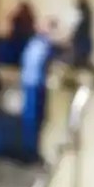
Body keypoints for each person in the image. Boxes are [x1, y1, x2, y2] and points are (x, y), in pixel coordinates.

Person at [19, 18, 59, 164]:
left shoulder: (34, 43)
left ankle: (30, 152)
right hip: (35, 85)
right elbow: (43, 64)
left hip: (30, 83)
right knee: (33, 120)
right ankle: (30, 154)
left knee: (32, 120)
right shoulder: (42, 44)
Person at [69, 0, 94, 87]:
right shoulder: (86, 14)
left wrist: (73, 35)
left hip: (83, 44)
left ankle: (72, 83)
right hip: (83, 43)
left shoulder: (85, 15)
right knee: (81, 63)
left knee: (81, 63)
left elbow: (80, 30)